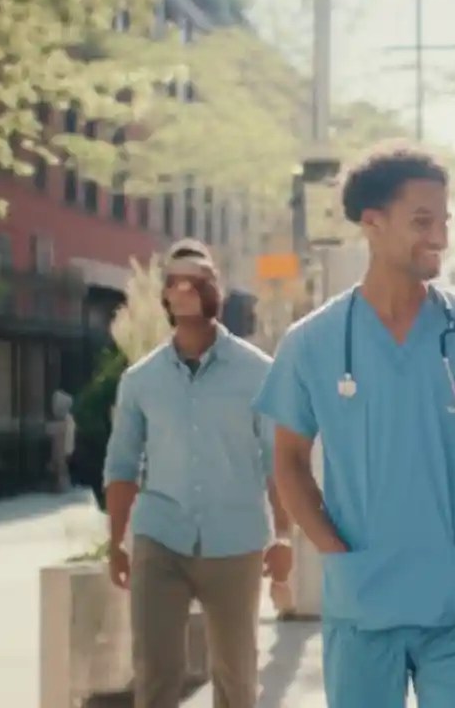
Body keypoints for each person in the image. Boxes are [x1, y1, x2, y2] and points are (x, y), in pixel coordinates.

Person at [252, 144, 455, 708]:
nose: (440, 237)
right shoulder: (313, 342)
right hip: (362, 601)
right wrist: (334, 552)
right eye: (422, 222)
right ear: (373, 224)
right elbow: (288, 460)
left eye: (445, 222)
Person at [104, 239, 293, 708]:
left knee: (236, 680)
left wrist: (284, 536)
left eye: (195, 282)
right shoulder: (140, 381)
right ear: (165, 296)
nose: (184, 291)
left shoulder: (259, 373)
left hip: (235, 542)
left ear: (215, 292)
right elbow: (122, 464)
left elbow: (277, 459)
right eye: (174, 283)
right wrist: (116, 541)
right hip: (160, 538)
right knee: (154, 676)